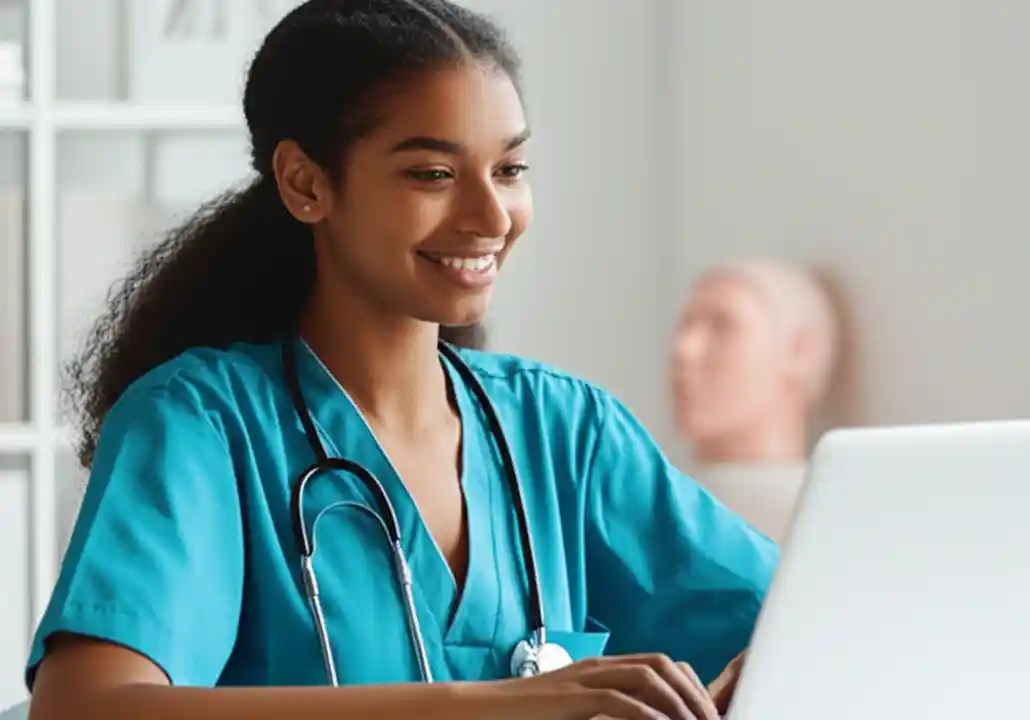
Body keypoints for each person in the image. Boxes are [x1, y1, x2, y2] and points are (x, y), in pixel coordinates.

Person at [24, 2, 776, 719]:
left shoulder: (564, 430)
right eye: (434, 175)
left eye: (510, 169)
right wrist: (499, 705)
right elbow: (86, 707)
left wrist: (770, 672)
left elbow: (807, 609)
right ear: (306, 183)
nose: (490, 217)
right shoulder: (201, 425)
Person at [671, 258, 839, 541]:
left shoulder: (832, 510)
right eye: (685, 325)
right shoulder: (633, 502)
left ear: (800, 352)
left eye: (723, 325)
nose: (684, 350)